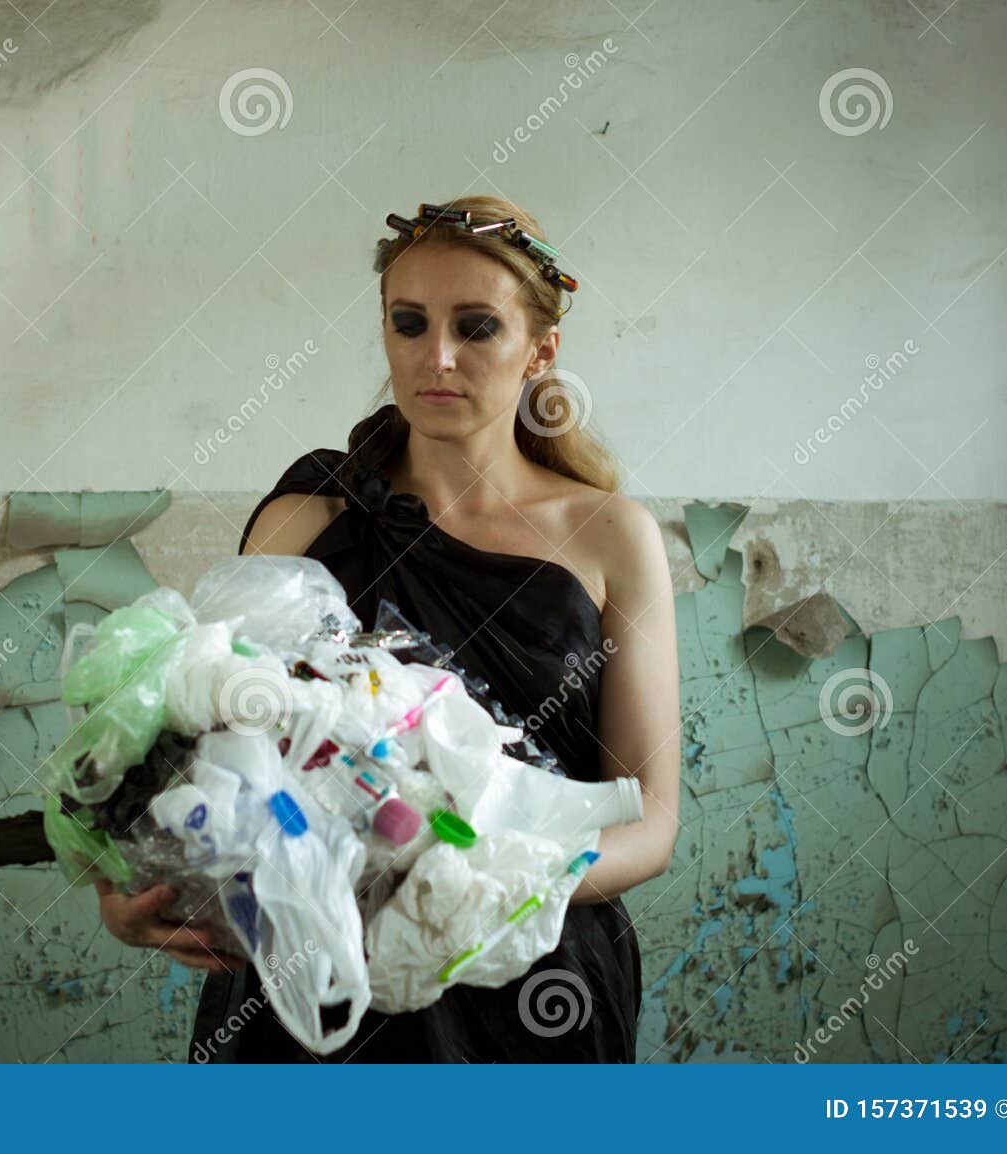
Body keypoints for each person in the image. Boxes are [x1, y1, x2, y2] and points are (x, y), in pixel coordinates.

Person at [95, 194, 681, 1061]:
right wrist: (131, 885)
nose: (436, 356)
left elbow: (653, 817)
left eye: (477, 327)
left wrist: (481, 893)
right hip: (315, 975)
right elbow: (207, 756)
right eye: (409, 323)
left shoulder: (609, 536)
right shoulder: (306, 520)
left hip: (528, 983)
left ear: (540, 351)